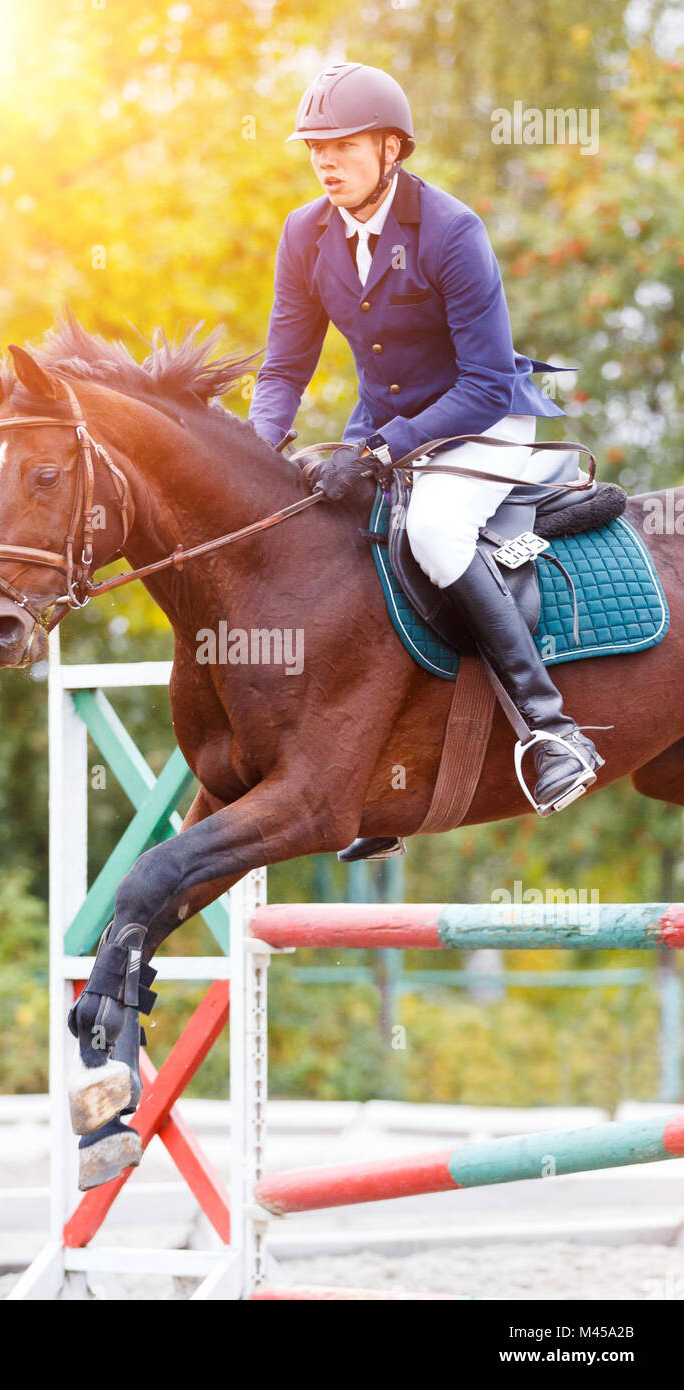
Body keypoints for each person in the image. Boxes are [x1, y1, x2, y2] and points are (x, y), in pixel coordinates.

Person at [248, 62, 603, 855]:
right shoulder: (304, 233)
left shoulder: (449, 230)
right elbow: (283, 368)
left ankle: (551, 731)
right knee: (327, 540)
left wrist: (378, 450)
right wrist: (256, 446)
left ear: (389, 147)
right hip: (388, 424)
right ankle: (370, 769)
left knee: (435, 533)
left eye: (340, 145)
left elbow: (481, 382)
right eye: (314, 149)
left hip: (483, 419)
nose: (325, 162)